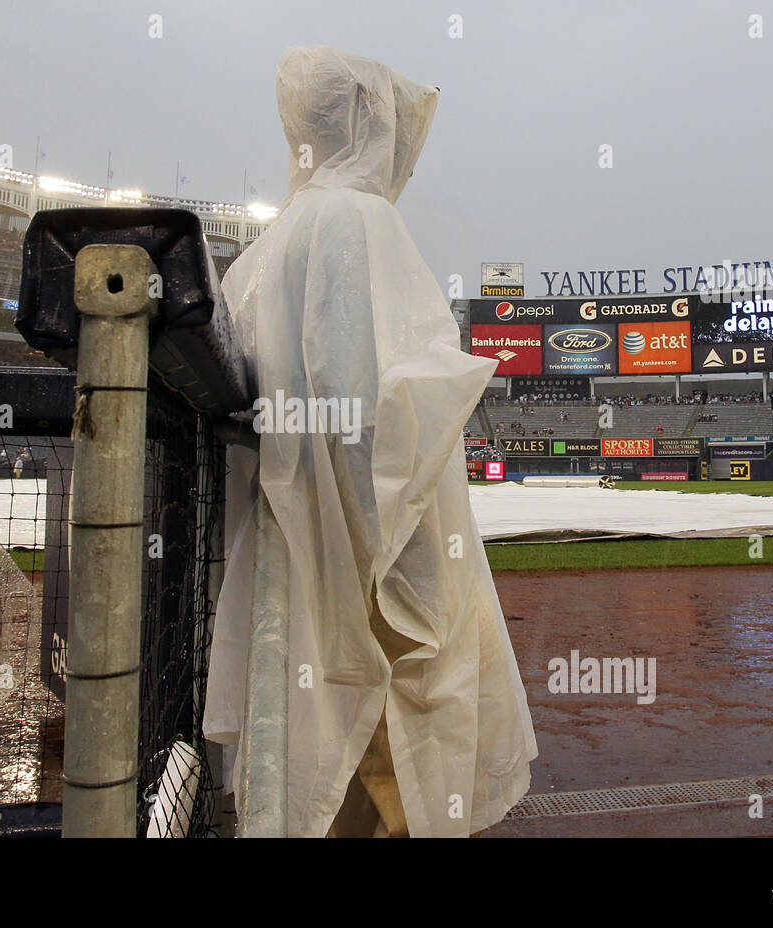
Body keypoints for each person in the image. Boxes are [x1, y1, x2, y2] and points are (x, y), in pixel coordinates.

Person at [205, 46, 537, 838]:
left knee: (321, 762)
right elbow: (368, 420)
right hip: (372, 555)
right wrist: (403, 571)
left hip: (295, 553)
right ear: (360, 118)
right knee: (403, 754)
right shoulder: (358, 223)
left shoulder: (266, 248)